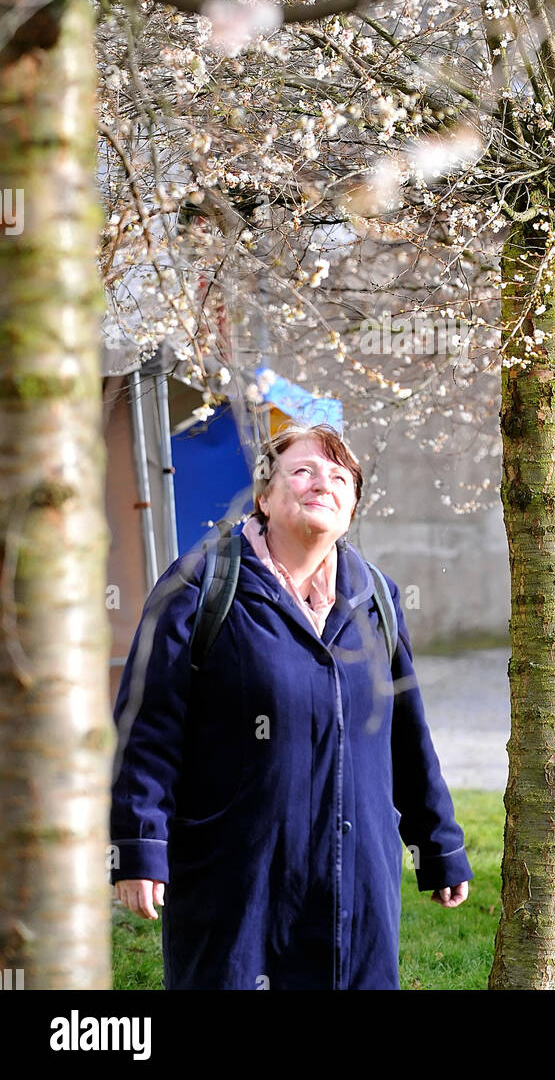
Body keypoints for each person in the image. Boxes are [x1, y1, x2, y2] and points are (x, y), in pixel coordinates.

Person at [110, 422, 472, 990]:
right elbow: (148, 730)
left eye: (339, 478)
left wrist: (439, 843)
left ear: (352, 507)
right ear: (264, 496)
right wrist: (139, 847)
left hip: (357, 881)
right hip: (238, 878)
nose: (322, 484)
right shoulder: (200, 584)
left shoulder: (375, 596)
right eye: (302, 471)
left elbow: (405, 731)